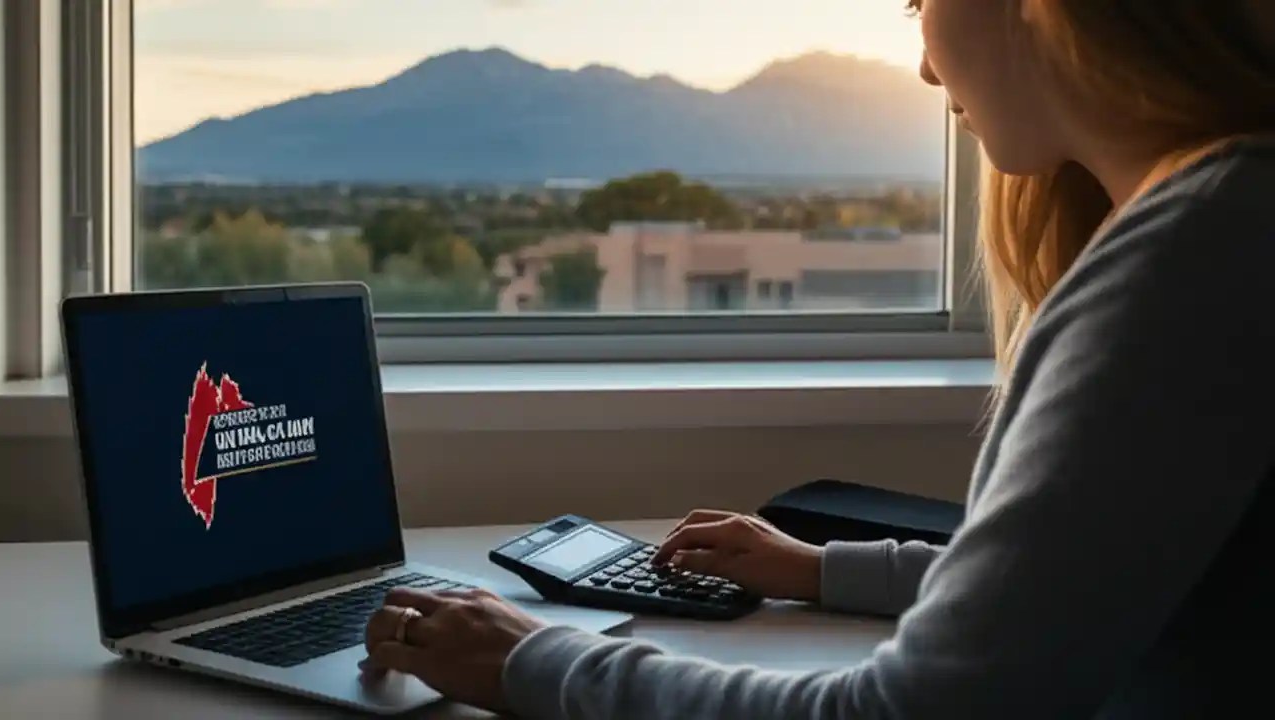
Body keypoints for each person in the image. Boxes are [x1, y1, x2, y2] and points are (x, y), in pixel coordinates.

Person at [361, 1, 1275, 717]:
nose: (923, 62)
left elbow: (914, 710)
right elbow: (1074, 584)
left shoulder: (1202, 252)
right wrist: (821, 570)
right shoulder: (1226, 220)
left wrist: (534, 662)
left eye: (917, 0)